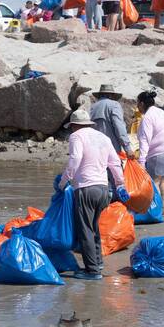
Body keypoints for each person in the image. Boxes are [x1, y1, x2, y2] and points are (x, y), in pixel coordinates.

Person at [57, 108, 129, 280]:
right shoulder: (103, 137)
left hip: (85, 188)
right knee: (93, 227)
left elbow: (75, 159)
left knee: (86, 230)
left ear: (74, 125)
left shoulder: (76, 136)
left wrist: (63, 182)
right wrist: (120, 185)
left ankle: (92, 271)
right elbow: (115, 163)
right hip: (104, 190)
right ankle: (97, 262)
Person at [135, 91, 164, 218]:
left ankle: (154, 212)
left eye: (138, 104)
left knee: (154, 182)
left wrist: (141, 162)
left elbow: (145, 141)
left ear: (142, 103)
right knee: (163, 181)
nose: (137, 107)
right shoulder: (160, 112)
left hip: (161, 152)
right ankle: (163, 209)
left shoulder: (147, 118)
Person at [90, 85, 132, 159]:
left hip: (95, 149)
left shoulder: (93, 107)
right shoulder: (114, 105)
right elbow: (119, 127)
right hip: (112, 149)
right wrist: (127, 148)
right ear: (112, 95)